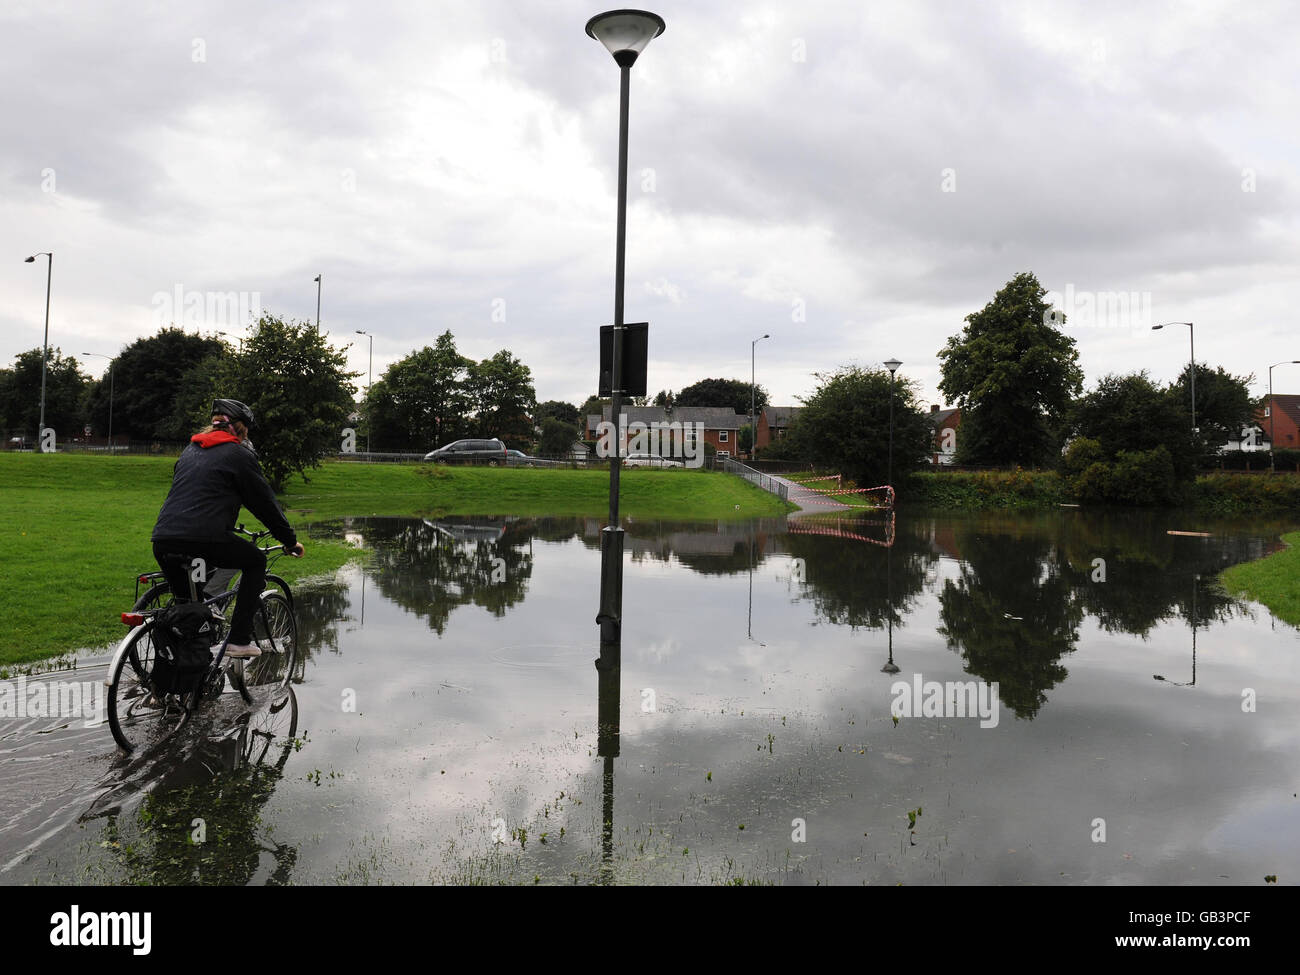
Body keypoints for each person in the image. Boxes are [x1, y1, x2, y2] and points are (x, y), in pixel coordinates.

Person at [151, 398, 304, 658]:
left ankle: (182, 676)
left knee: (190, 611)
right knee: (255, 561)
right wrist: (289, 541)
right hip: (204, 538)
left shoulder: (190, 450)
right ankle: (239, 640)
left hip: (163, 539)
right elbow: (265, 504)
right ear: (240, 428)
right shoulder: (239, 455)